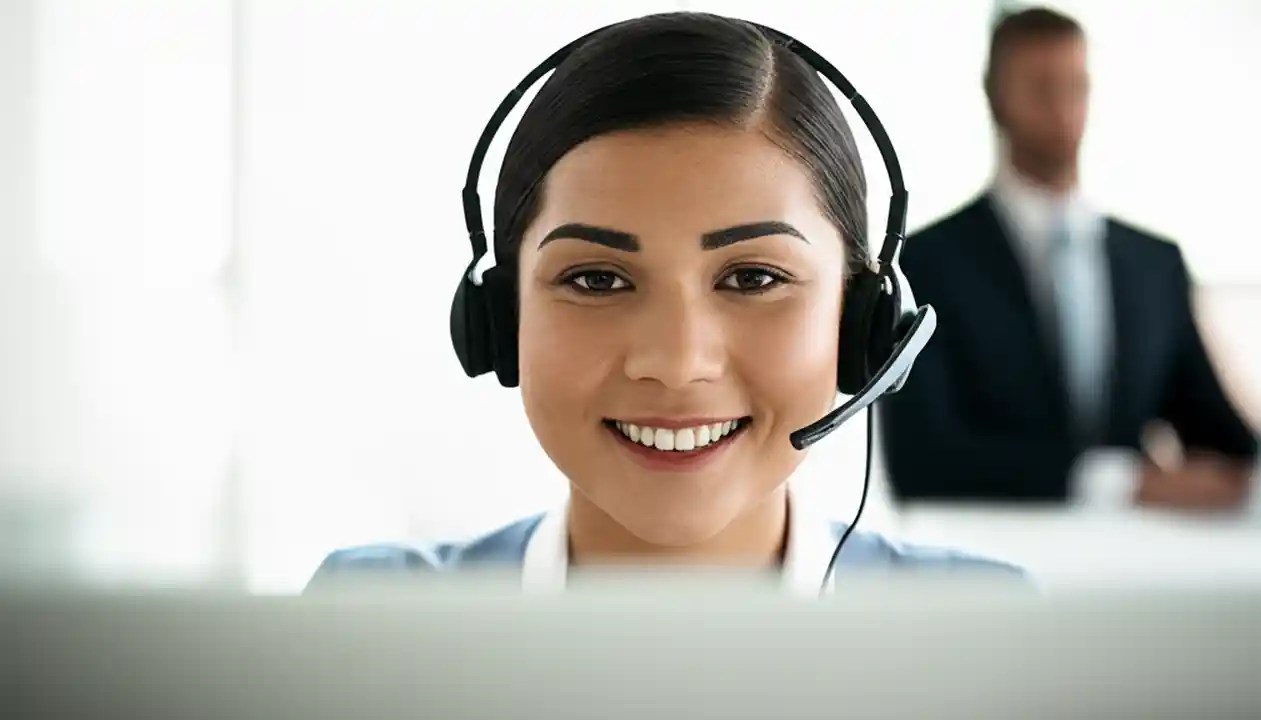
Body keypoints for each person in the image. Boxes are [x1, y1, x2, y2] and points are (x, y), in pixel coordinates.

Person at [308, 12, 1017, 594]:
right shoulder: (363, 620)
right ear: (501, 317)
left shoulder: (987, 627)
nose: (677, 365)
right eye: (596, 280)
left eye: (752, 279)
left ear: (861, 319)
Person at [881, 7, 1259, 507]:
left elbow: (1222, 438)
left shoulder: (1154, 265)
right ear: (995, 97)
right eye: (1039, 87)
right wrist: (1124, 484)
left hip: (1134, 563)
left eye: (1075, 87)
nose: (1062, 109)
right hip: (987, 559)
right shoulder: (929, 262)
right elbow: (921, 459)